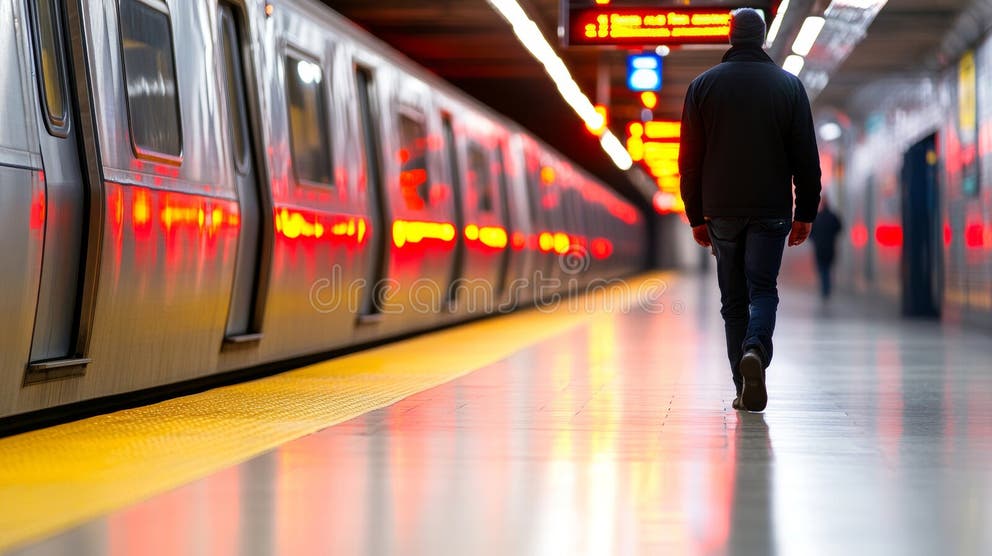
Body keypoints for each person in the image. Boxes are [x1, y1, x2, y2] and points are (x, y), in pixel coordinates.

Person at [678, 8, 822, 412]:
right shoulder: (789, 87)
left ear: (730, 35)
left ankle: (743, 387)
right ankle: (755, 349)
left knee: (733, 300)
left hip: (720, 210)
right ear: (762, 38)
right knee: (762, 288)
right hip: (771, 208)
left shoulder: (701, 87)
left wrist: (695, 216)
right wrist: (805, 211)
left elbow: (689, 161)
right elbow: (806, 159)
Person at [810, 199, 843, 299]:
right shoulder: (833, 216)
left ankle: (825, 289)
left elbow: (810, 234)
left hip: (819, 249)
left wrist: (816, 240)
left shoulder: (817, 218)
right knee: (827, 268)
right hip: (830, 248)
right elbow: (839, 228)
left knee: (822, 269)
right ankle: (827, 288)